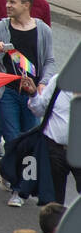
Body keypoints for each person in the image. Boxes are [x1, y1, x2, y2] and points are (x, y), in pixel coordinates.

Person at [0, 0, 57, 206]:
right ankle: (17, 190)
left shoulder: (43, 30)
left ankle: (17, 178)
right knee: (14, 139)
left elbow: (49, 61)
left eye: (12, 2)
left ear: (26, 5)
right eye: (7, 2)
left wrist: (43, 84)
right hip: (7, 92)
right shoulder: (1, 28)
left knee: (29, 140)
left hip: (32, 95)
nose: (7, 6)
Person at [31, 78, 79, 208]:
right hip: (56, 150)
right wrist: (33, 95)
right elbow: (39, 109)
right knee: (54, 203)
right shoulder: (59, 81)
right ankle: (55, 227)